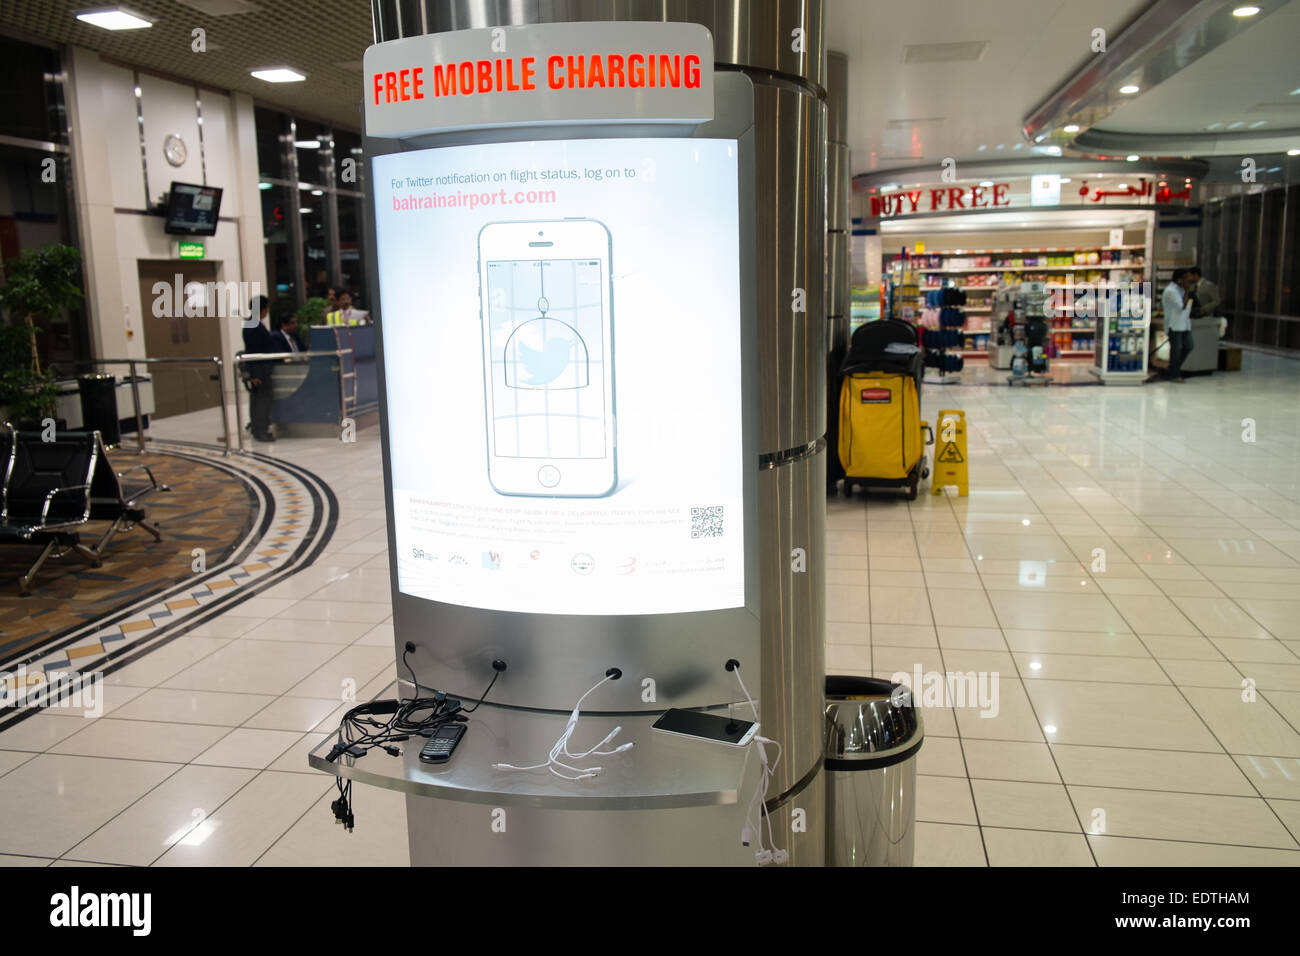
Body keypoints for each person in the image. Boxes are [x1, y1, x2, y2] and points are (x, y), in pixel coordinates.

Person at [242, 295, 276, 441]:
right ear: (262, 310)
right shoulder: (253, 326)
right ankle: (259, 430)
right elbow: (253, 352)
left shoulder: (254, 323)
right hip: (259, 370)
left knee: (262, 401)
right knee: (260, 402)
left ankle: (261, 428)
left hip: (261, 369)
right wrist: (255, 375)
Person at [1162, 268, 1195, 382]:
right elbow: (1181, 306)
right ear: (1179, 279)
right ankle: (1174, 374)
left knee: (1189, 345)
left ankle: (1173, 368)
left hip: (1184, 324)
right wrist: (1186, 291)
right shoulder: (1170, 291)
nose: (1188, 281)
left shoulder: (1180, 289)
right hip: (1174, 325)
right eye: (1186, 278)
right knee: (1175, 351)